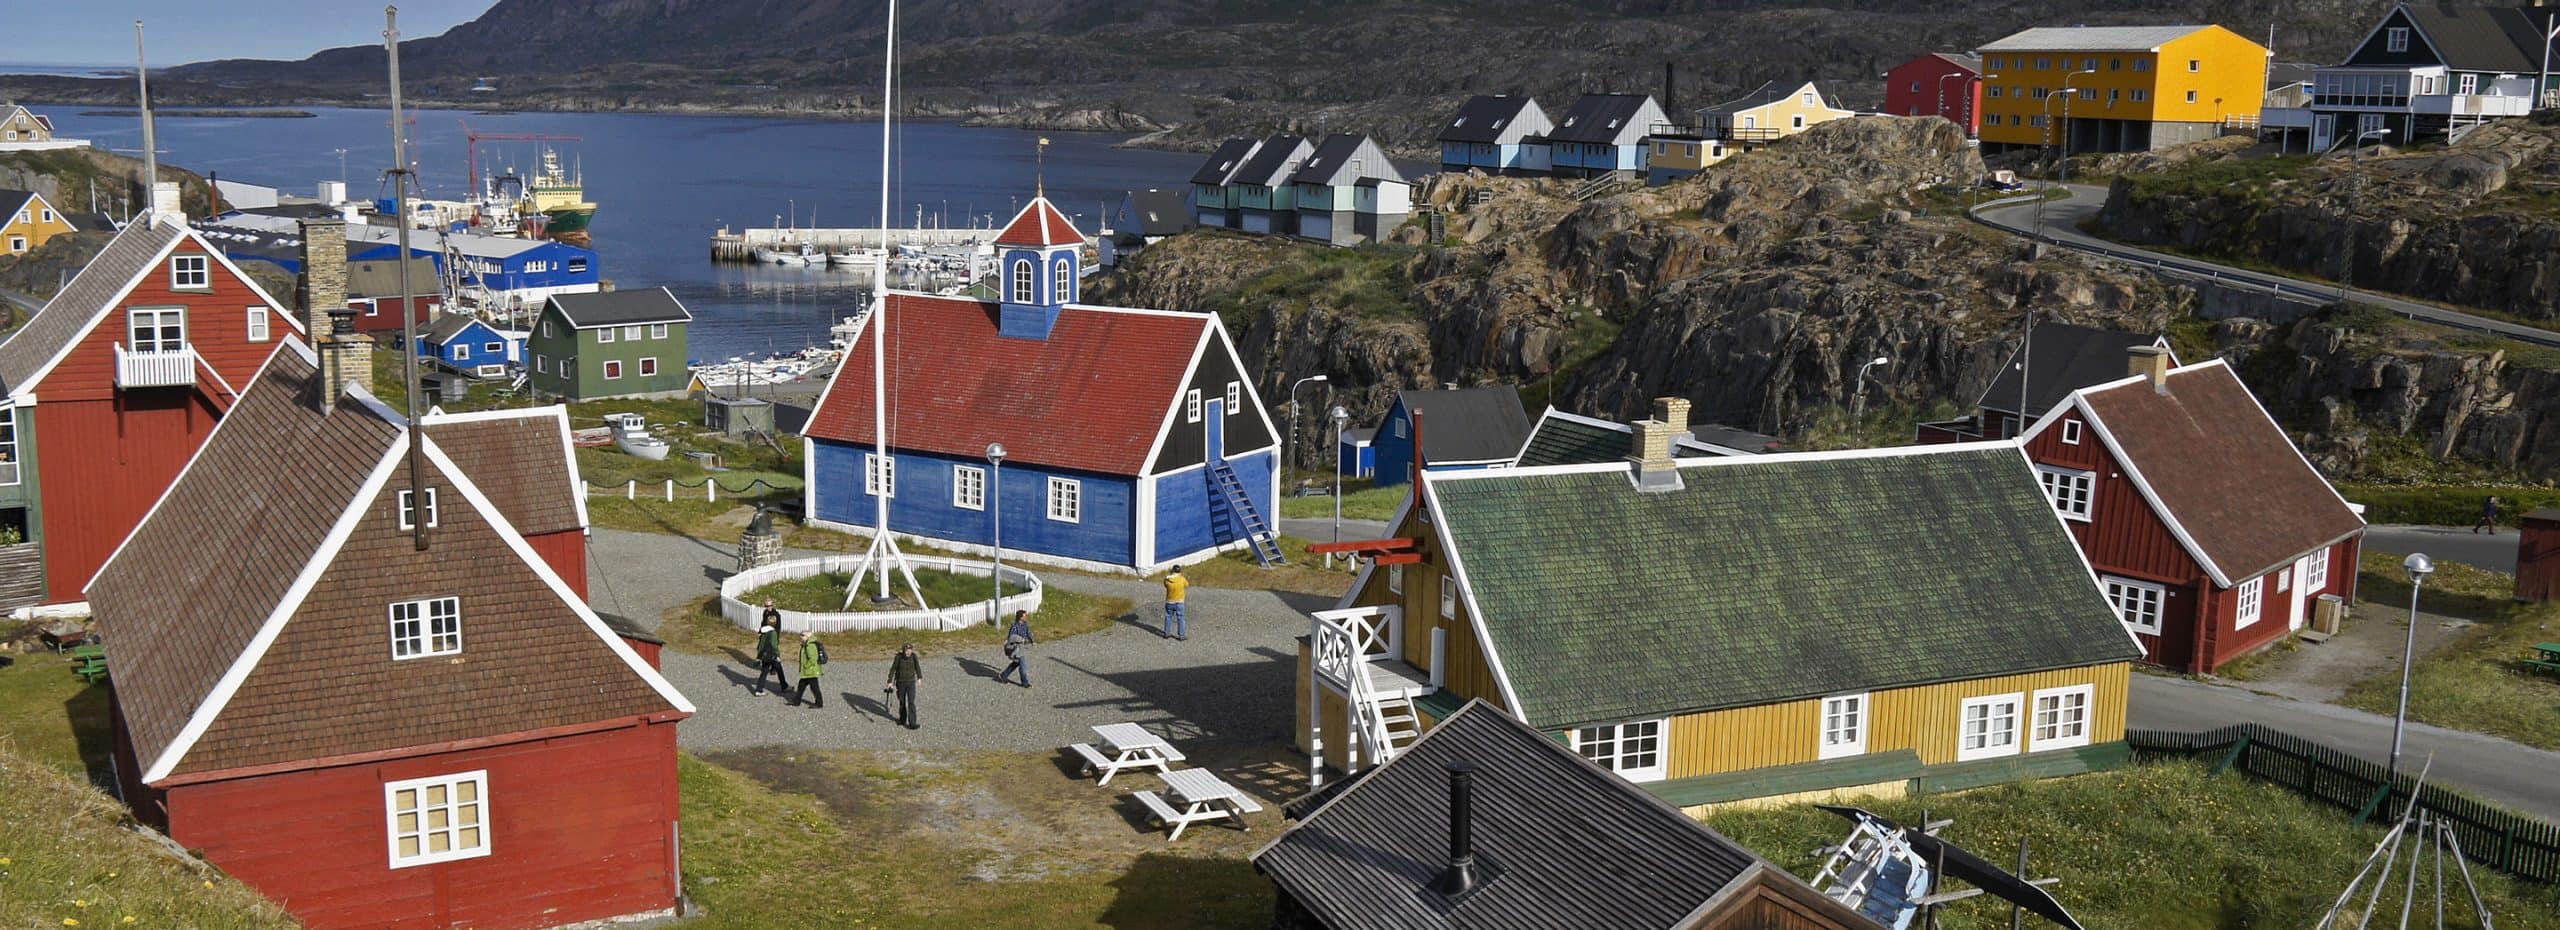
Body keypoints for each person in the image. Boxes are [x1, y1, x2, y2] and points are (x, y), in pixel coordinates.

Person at [751, 603, 787, 696]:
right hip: (771, 654)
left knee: (765, 671)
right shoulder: (773, 632)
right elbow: (774, 645)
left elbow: (761, 644)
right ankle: (784, 686)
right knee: (778, 668)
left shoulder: (763, 632)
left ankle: (759, 689)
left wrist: (759, 656)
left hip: (764, 654)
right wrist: (778, 655)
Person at [888, 643, 924, 728]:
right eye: (906, 650)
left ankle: (913, 723)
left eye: (910, 650)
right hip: (900, 683)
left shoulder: (914, 656)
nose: (908, 652)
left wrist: (919, 678)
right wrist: (890, 681)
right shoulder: (898, 657)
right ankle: (902, 720)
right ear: (903, 650)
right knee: (902, 702)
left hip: (911, 682)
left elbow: (917, 667)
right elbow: (893, 669)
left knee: (911, 702)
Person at [998, 610, 1034, 688]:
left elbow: (1028, 633)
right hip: (1015, 649)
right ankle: (1025, 683)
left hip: (1021, 648)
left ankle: (1004, 675)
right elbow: (1011, 637)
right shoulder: (1014, 626)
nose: (1026, 617)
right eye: (1025, 616)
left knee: (1016, 663)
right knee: (1023, 666)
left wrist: (1032, 640)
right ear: (1020, 617)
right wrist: (1022, 640)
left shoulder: (1025, 625)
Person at [793, 632, 825, 708]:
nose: (801, 637)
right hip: (809, 670)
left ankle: (819, 703)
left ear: (807, 637)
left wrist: (806, 666)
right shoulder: (807, 644)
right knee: (802, 685)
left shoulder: (810, 646)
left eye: (802, 636)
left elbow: (813, 659)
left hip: (810, 670)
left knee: (814, 687)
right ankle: (797, 700)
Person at [1161, 567, 1190, 641]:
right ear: (1179, 571)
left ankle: (1167, 633)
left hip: (1169, 602)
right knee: (1180, 618)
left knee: (1168, 617)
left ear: (1172, 571)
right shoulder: (1182, 579)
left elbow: (1165, 585)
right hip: (1180, 602)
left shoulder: (1167, 580)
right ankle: (1181, 635)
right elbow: (1187, 585)